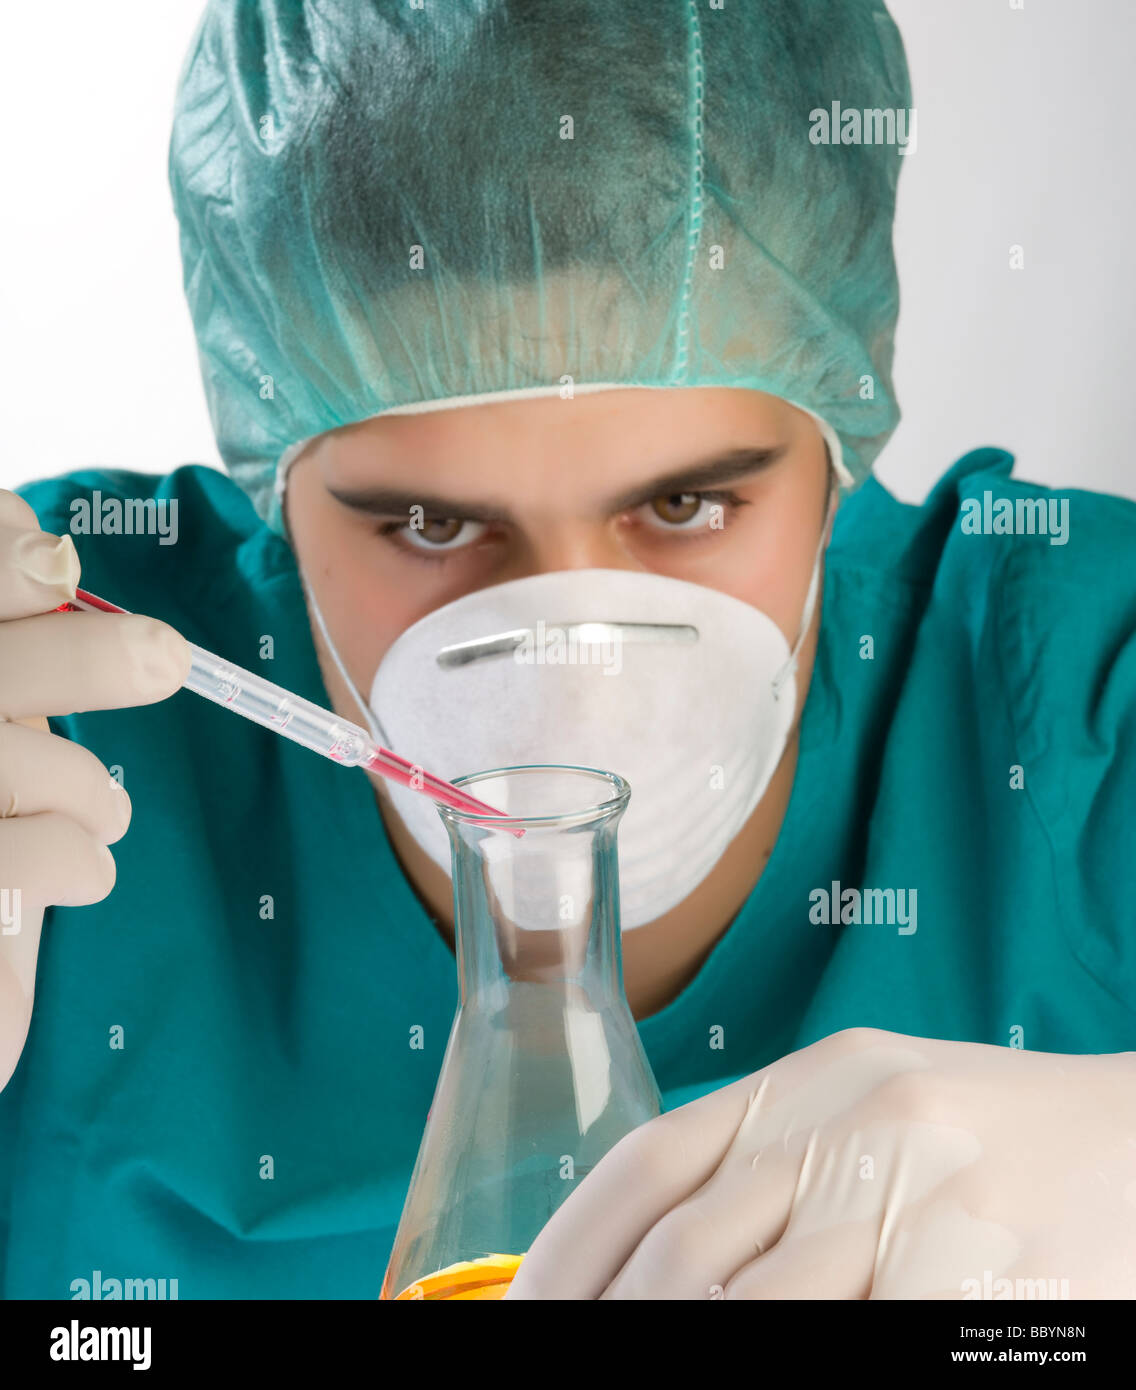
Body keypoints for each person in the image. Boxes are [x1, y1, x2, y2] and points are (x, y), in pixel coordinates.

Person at [1, 0, 1134, 1301]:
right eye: (429, 523)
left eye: (685, 505)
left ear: (835, 455)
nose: (567, 662)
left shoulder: (1083, 697)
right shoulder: (56, 704)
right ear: (279, 482)